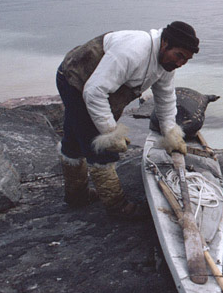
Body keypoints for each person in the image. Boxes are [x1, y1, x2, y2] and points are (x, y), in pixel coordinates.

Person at [56, 21, 199, 217]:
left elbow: (165, 98)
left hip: (98, 86)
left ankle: (76, 196)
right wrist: (110, 132)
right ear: (165, 43)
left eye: (186, 60)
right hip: (75, 79)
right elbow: (94, 91)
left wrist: (170, 133)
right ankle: (117, 205)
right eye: (179, 56)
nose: (180, 63)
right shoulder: (133, 52)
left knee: (75, 137)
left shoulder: (166, 64)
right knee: (98, 144)